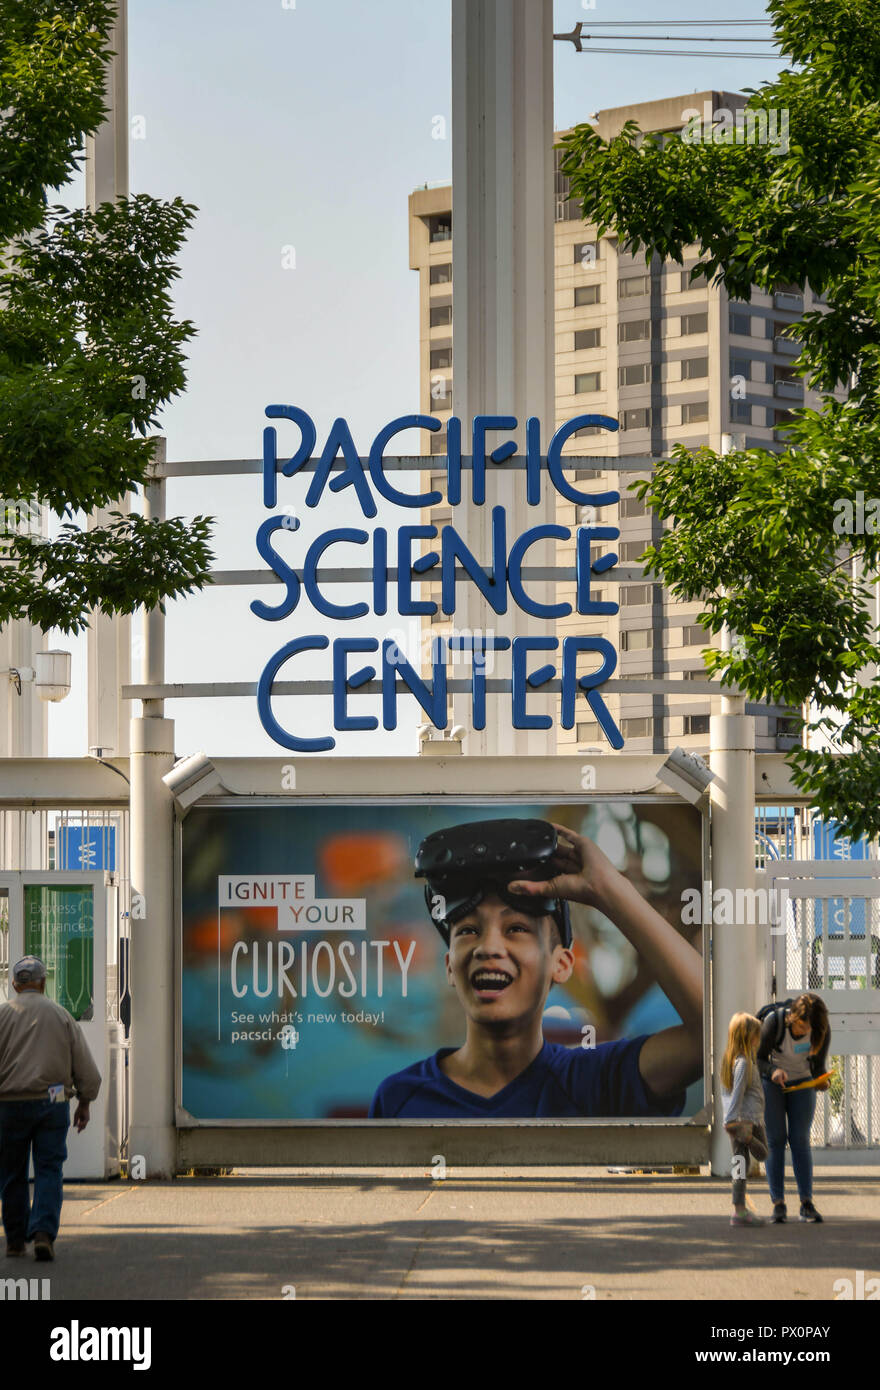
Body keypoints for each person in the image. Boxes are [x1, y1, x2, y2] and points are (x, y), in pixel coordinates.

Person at [369, 817, 703, 1118]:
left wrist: (609, 890)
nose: (488, 947)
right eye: (469, 931)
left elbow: (715, 1036)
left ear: (561, 964)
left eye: (516, 929)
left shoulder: (598, 1082)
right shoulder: (400, 1099)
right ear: (450, 968)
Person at [0, 956, 101, 1261]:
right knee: (49, 1167)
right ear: (43, 983)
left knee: (11, 1172)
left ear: (15, 984)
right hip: (54, 1098)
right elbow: (86, 1068)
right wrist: (84, 1101)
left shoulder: (3, 1015)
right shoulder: (60, 1015)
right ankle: (43, 1232)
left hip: (9, 1102)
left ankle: (16, 1240)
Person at [757, 992, 831, 1224]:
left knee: (800, 1139)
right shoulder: (774, 1022)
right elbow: (758, 1058)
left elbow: (818, 1066)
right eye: (801, 1026)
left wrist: (821, 1081)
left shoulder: (819, 1030)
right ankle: (778, 1204)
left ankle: (806, 1203)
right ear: (793, 1017)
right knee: (775, 1139)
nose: (804, 1032)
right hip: (774, 1082)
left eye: (809, 1029)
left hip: (802, 1082)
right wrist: (772, 1072)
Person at [721, 1012, 768, 1227]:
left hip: (749, 1120)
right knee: (748, 1161)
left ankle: (739, 1210)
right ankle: (738, 1211)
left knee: (743, 1164)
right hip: (745, 1121)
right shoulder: (743, 1063)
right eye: (757, 1036)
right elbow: (737, 1091)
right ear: (749, 1038)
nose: (760, 1041)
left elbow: (729, 1092)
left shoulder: (739, 1060)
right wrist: (732, 1121)